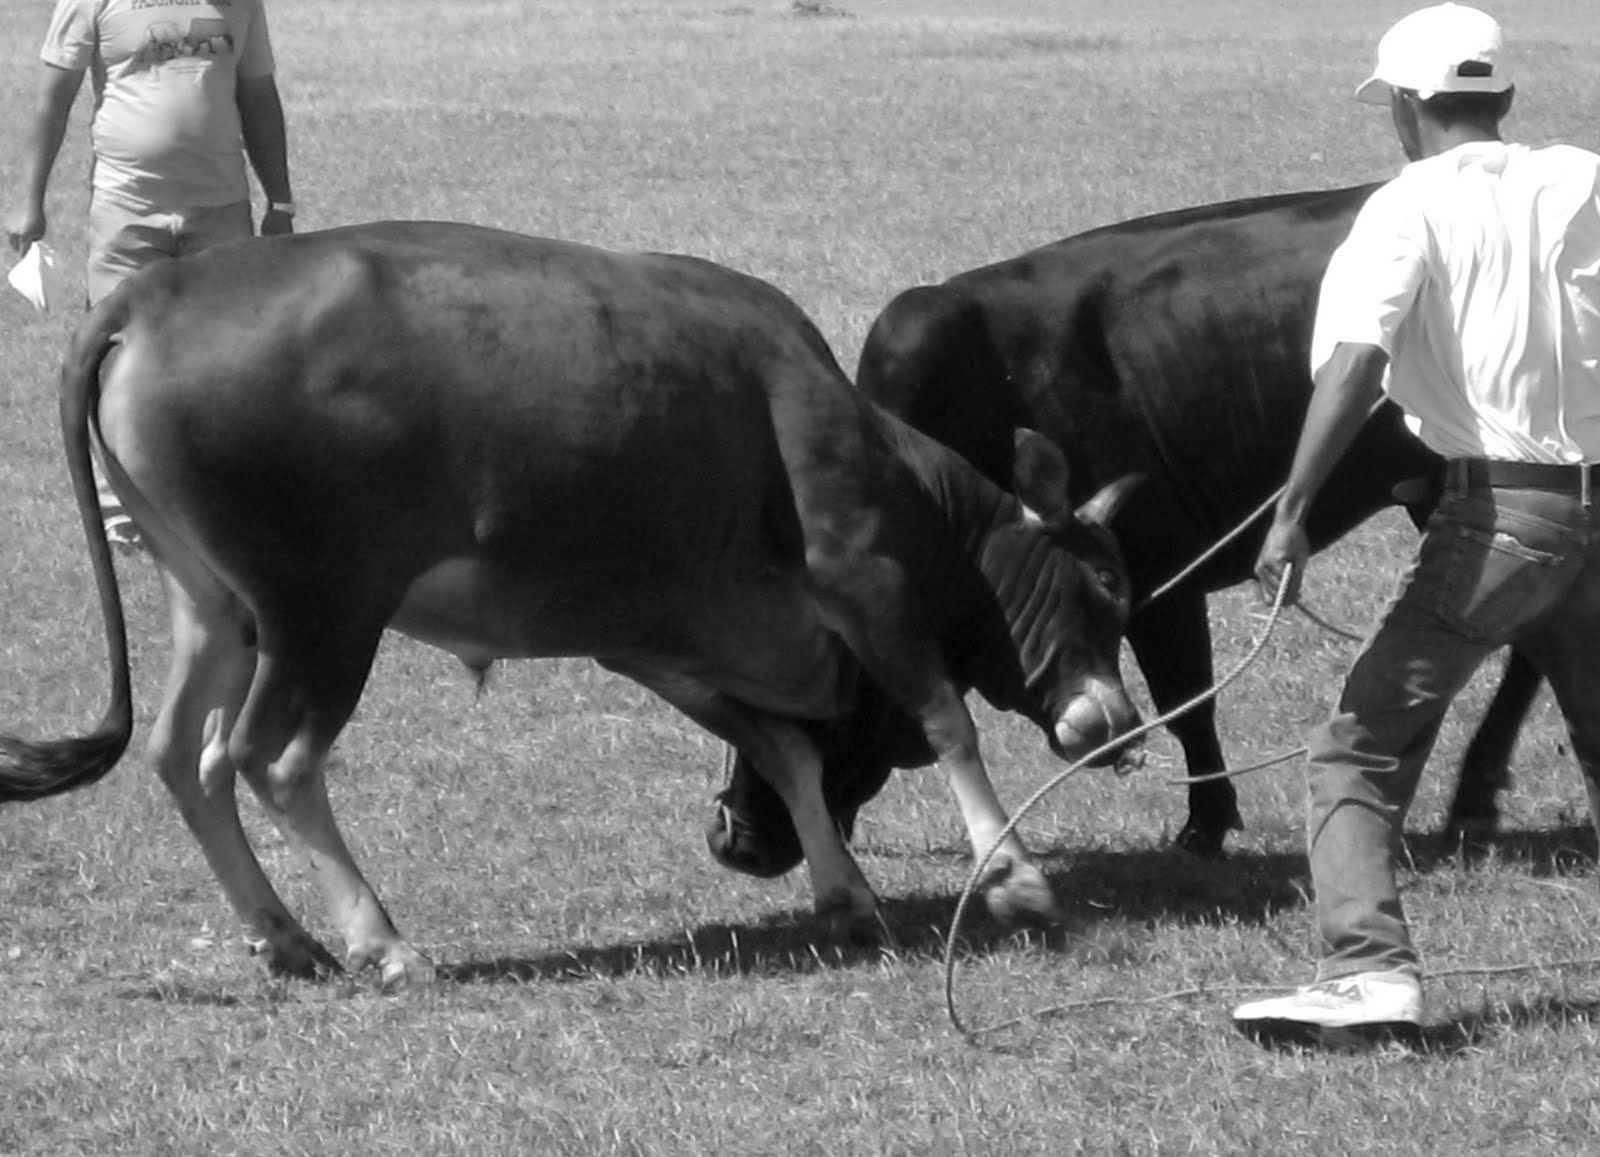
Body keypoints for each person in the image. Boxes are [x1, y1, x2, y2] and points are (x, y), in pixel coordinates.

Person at [1233, 2, 1600, 1038]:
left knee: (1356, 744)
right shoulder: (1581, 176)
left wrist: (1291, 512)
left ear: (1401, 107)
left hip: (1502, 516)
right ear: (1506, 98)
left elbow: (1353, 360)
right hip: (1591, 501)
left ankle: (1365, 971)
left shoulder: (1402, 210)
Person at [4, 0, 296, 545]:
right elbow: (54, 96)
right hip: (125, 210)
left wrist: (280, 202)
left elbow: (258, 95)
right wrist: (28, 200)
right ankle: (122, 507)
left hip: (220, 209)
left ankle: (216, 496)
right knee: (116, 359)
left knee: (227, 360)